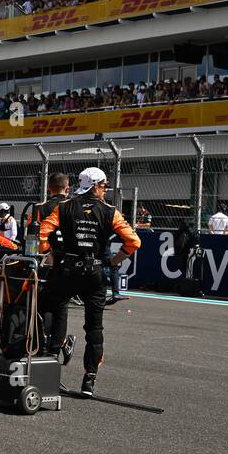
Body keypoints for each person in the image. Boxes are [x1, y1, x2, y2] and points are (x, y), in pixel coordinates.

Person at [38, 166, 141, 397]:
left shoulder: (64, 206)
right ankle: (89, 380)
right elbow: (134, 242)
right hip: (94, 274)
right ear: (96, 185)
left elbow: (43, 233)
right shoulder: (110, 211)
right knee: (94, 328)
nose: (105, 190)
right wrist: (114, 262)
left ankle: (47, 369)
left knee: (52, 309)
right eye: (104, 186)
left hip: (66, 271)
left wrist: (51, 255)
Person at [28, 172, 73, 357]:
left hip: (46, 262)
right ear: (67, 188)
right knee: (61, 306)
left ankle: (41, 343)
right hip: (69, 262)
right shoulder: (74, 207)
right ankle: (57, 346)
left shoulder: (40, 208)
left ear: (48, 188)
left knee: (40, 303)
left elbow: (32, 237)